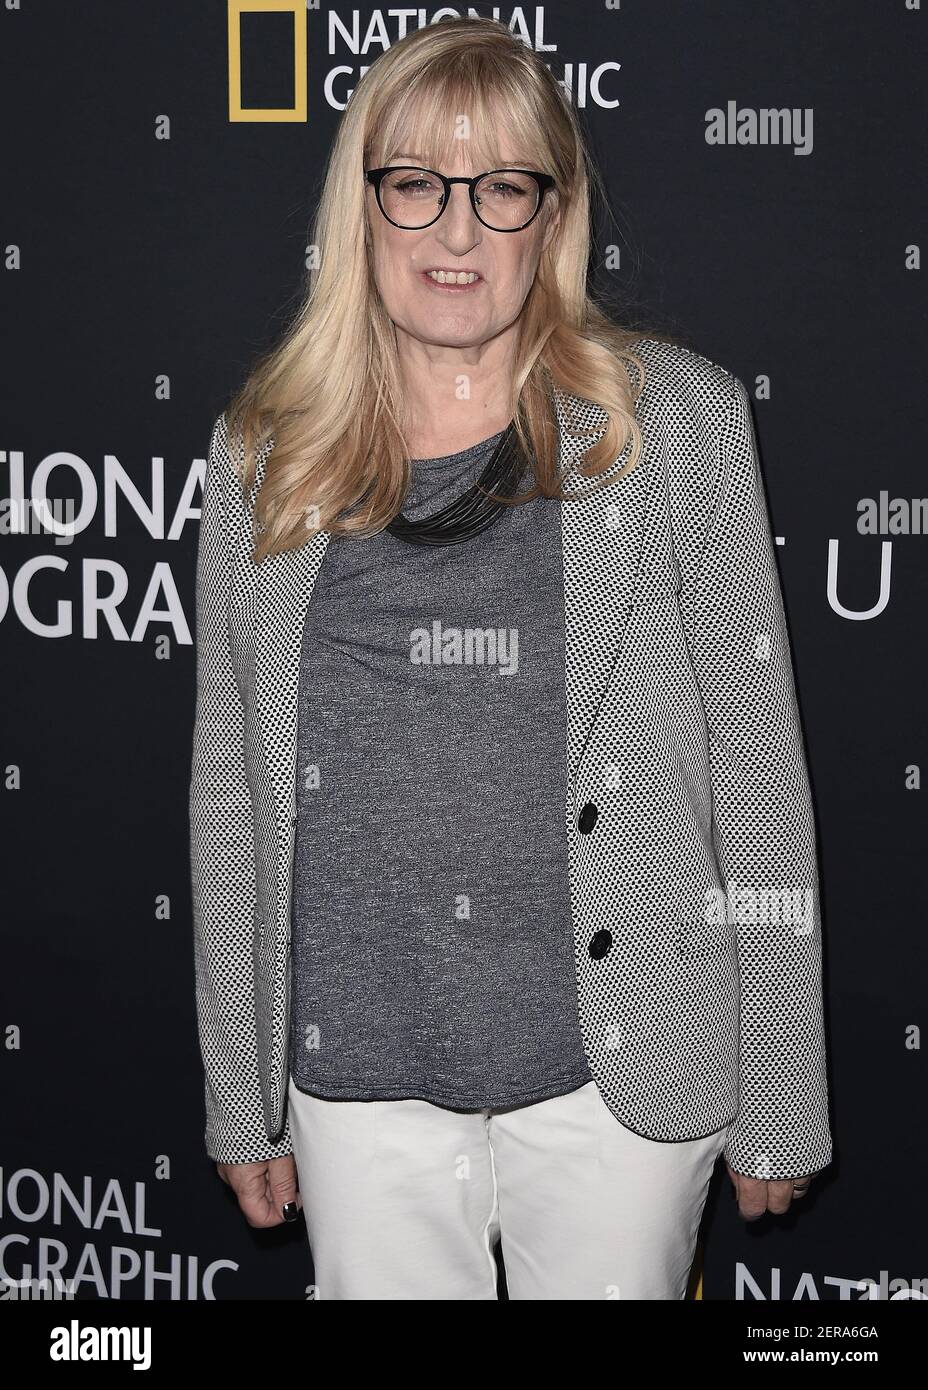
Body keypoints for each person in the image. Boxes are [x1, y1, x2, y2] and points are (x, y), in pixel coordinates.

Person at [188, 15, 832, 1301]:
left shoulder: (677, 427)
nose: (458, 230)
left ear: (552, 213)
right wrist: (238, 1096)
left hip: (619, 1081)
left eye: (502, 187)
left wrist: (784, 1090)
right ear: (362, 203)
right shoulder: (263, 452)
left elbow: (755, 773)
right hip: (354, 1078)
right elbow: (230, 790)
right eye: (416, 182)